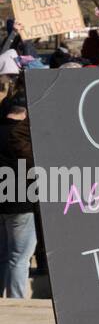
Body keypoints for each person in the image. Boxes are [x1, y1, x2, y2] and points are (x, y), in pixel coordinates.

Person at [0, 74, 37, 299]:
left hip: (2, 203)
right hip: (21, 202)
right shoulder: (22, 137)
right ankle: (16, 300)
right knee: (19, 256)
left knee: (5, 254)